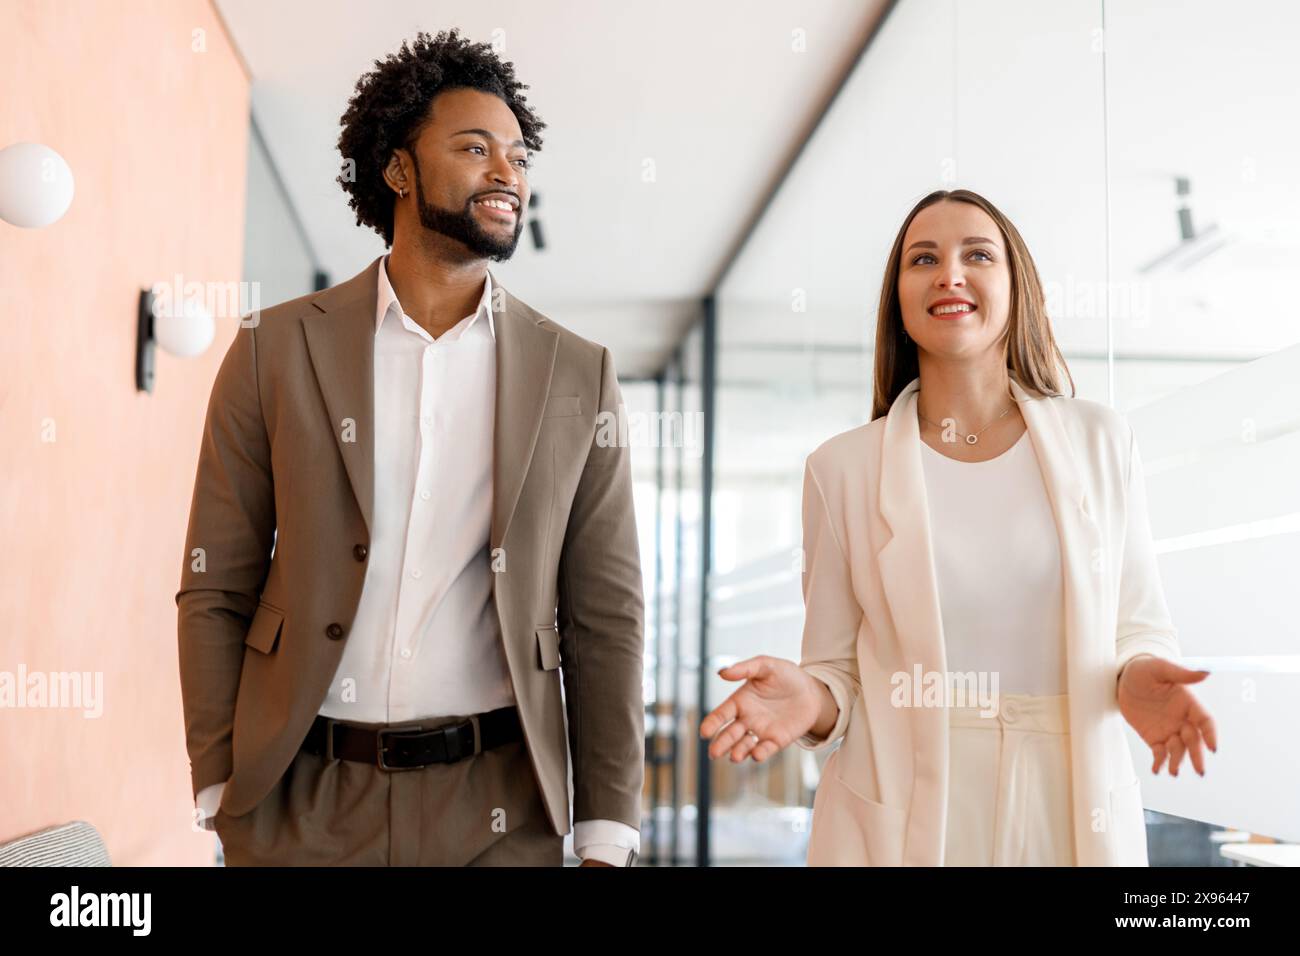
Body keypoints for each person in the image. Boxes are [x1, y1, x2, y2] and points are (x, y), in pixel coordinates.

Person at [177, 29, 643, 867]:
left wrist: (608, 827)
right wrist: (218, 783)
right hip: (300, 799)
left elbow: (605, 614)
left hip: (500, 804)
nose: (508, 173)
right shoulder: (273, 348)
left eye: (519, 155)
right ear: (398, 169)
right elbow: (217, 579)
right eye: (475, 148)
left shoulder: (579, 373)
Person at [699, 188, 1217, 866]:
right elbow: (838, 673)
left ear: (1015, 284)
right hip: (909, 808)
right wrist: (811, 700)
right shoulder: (841, 470)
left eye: (977, 254)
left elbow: (1136, 622)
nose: (949, 274)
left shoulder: (1100, 442)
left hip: (1067, 801)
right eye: (923, 259)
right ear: (900, 300)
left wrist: (1139, 677)